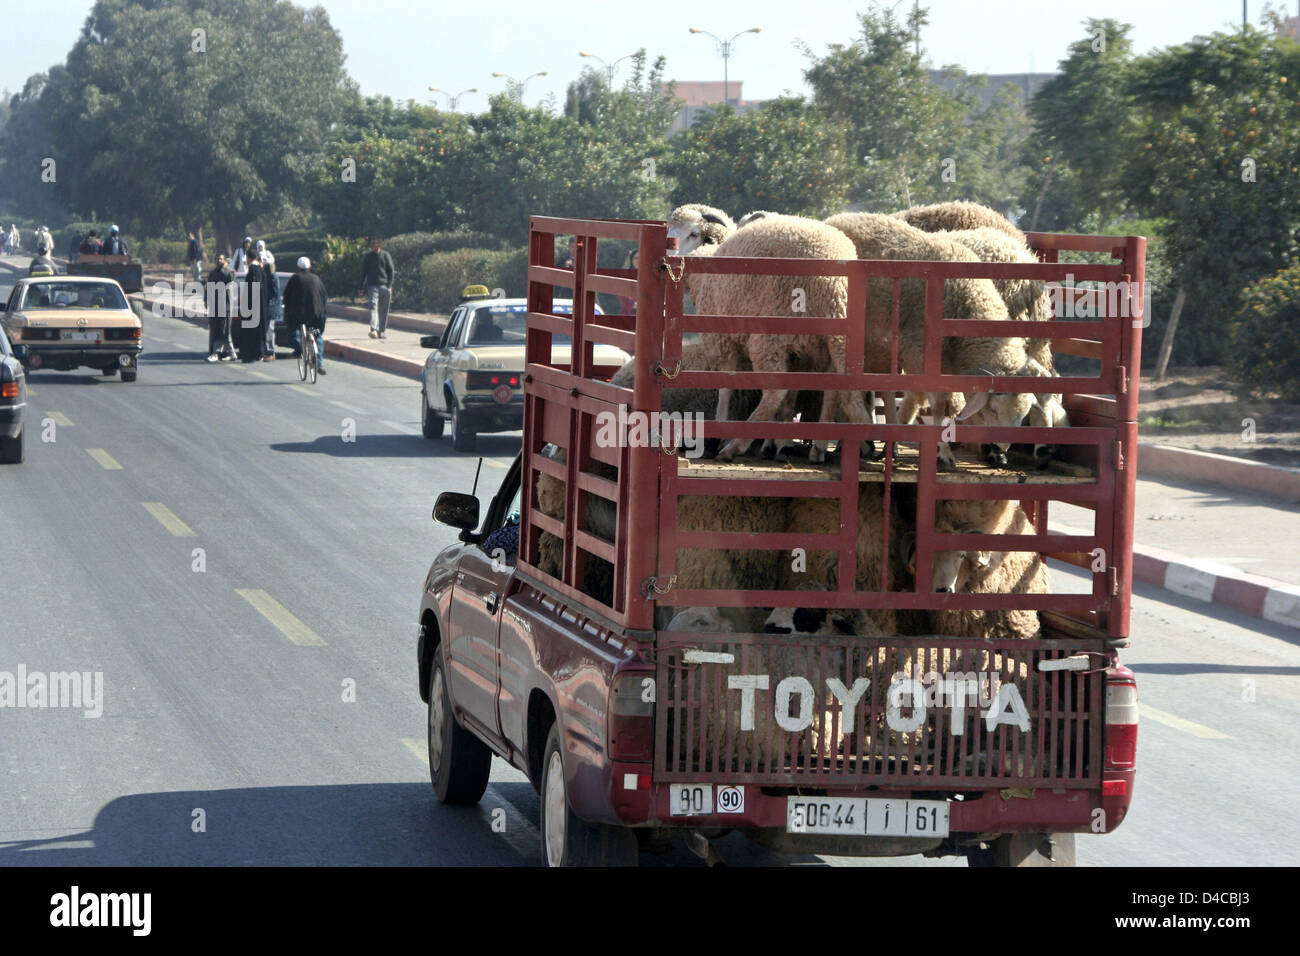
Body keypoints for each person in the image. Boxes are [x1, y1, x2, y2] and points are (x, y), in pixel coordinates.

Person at [283, 256, 328, 374]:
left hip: (299, 315)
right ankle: (320, 363)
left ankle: (301, 349)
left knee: (293, 334)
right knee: (317, 336)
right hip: (316, 316)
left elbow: (287, 296)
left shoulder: (295, 278)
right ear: (310, 267)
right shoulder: (317, 279)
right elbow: (324, 297)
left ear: (298, 267)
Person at [359, 237, 395, 339]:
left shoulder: (385, 255)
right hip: (372, 286)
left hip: (384, 286)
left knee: (384, 310)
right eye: (371, 244)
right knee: (373, 308)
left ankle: (381, 331)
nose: (372, 246)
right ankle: (373, 329)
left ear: (379, 245)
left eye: (374, 244)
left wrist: (389, 285)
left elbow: (391, 270)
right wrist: (361, 287)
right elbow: (363, 272)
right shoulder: (368, 257)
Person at [240, 252, 272, 362]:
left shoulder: (253, 270)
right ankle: (258, 353)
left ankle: (253, 354)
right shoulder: (260, 270)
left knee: (252, 332)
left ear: (249, 258)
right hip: (260, 306)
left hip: (253, 307)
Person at [205, 254, 236, 362]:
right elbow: (208, 287)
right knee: (215, 330)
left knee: (223, 331)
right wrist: (206, 300)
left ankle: (218, 353)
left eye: (221, 259)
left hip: (225, 307)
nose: (218, 261)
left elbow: (231, 281)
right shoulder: (212, 274)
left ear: (224, 261)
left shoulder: (228, 273)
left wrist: (224, 269)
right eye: (217, 259)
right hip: (214, 307)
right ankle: (228, 353)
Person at [257, 242, 280, 359]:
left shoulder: (272, 277)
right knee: (265, 329)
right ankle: (263, 351)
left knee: (269, 329)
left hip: (270, 307)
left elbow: (274, 293)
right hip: (265, 306)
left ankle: (270, 352)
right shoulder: (264, 276)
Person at [618, 247, 639, 315]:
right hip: (629, 311)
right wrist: (633, 304)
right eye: (635, 258)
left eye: (640, 258)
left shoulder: (648, 276)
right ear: (631, 260)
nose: (638, 261)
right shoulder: (626, 275)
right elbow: (622, 294)